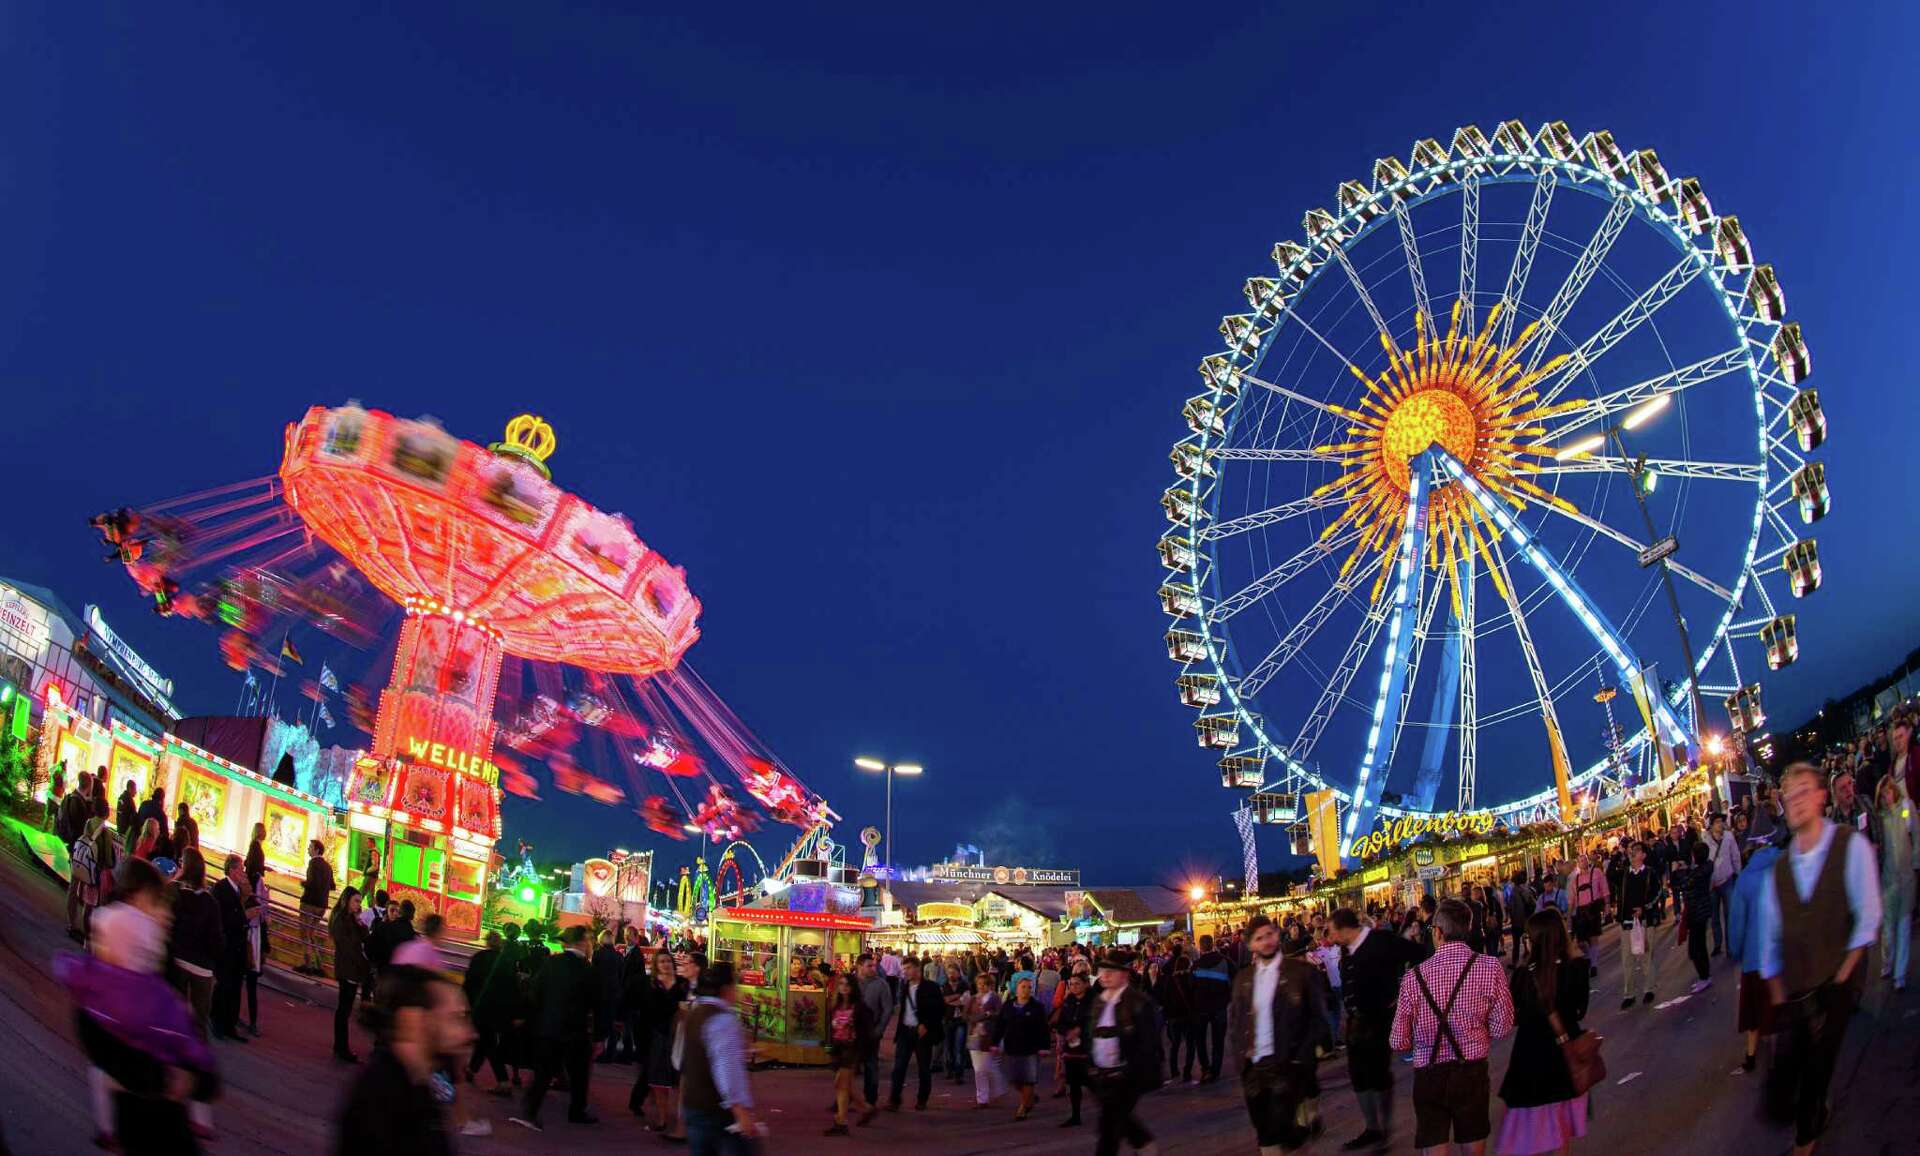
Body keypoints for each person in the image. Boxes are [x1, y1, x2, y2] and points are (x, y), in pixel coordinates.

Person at [1756, 762, 1882, 1156]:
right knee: (1780, 1096)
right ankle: (1810, 1118)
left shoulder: (1849, 846)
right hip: (1795, 991)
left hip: (1835, 982)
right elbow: (1768, 937)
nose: (1795, 802)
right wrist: (1776, 990)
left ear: (1820, 796)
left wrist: (1844, 973)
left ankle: (1806, 1138)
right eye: (1788, 796)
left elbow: (1868, 913)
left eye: (1803, 792)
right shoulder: (1779, 870)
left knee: (1813, 1077)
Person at [62, 855, 220, 1155]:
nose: (165, 915)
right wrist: (175, 1077)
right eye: (157, 904)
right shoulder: (121, 991)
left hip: (161, 1118)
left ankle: (108, 1130)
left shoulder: (149, 970)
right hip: (150, 1121)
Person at [1389, 898, 1515, 1156]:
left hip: (1429, 1074)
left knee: (1434, 1146)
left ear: (1437, 932)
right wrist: (1477, 1031)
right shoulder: (1490, 968)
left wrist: (1419, 1039)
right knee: (1473, 1144)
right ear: (1467, 929)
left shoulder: (1413, 978)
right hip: (1471, 1070)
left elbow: (1398, 1041)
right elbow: (1503, 1026)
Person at [333, 964, 477, 1156]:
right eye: (455, 1018)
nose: (470, 1033)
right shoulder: (382, 1096)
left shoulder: (422, 1078)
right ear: (414, 1020)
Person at [1227, 914, 1325, 1156]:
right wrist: (1241, 1057)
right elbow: (1236, 1020)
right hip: (1254, 1067)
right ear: (1251, 944)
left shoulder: (1300, 972)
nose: (1266, 941)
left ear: (1277, 934)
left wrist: (1304, 1057)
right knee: (1264, 1131)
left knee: (1279, 1128)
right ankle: (1300, 1135)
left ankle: (1301, 1133)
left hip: (1287, 1062)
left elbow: (1317, 1018)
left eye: (1269, 934)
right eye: (1259, 938)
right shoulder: (1243, 978)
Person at [1495, 910, 1590, 1156]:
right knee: (1561, 1126)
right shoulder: (1576, 966)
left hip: (1530, 1056)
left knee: (1532, 1129)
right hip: (1564, 1050)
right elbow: (1580, 1010)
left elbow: (1513, 1016)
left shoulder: (1524, 975)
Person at [1331, 905, 1420, 1151]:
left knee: (1379, 1075)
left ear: (1345, 929)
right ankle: (1372, 1128)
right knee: (1358, 1076)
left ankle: (1385, 1132)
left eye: (1332, 931)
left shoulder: (1381, 941)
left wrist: (1407, 993)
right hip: (1356, 1024)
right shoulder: (1347, 949)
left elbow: (1417, 953)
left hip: (1379, 1021)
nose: (1330, 937)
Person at [510, 923, 598, 1131]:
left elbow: (534, 992)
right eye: (587, 940)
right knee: (579, 1073)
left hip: (548, 1027)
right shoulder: (588, 969)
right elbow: (597, 1002)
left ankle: (530, 1111)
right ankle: (577, 1111)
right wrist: (600, 1032)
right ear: (581, 942)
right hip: (575, 1030)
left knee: (543, 1073)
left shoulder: (551, 963)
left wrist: (527, 1016)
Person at [1083, 949, 1161, 1156]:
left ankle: (1143, 1145)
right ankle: (1144, 1145)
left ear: (1124, 974)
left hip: (1125, 1076)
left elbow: (1147, 1043)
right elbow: (1092, 1035)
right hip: (1102, 1074)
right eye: (1103, 970)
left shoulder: (1138, 1002)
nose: (1105, 975)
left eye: (1112, 971)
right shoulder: (1099, 1000)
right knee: (1117, 1119)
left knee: (1109, 1127)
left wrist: (1128, 1070)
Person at [679, 960, 762, 1155]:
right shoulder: (723, 1020)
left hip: (694, 1106)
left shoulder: (694, 1012)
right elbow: (727, 1070)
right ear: (726, 989)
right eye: (735, 986)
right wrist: (741, 1112)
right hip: (718, 1113)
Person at [1728, 832, 1783, 1072]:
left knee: (1755, 1011)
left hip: (1755, 956)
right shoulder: (1786, 865)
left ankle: (1752, 1055)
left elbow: (1737, 924)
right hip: (1784, 952)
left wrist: (1736, 950)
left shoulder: (1746, 879)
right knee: (1783, 1006)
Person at [168, 848, 222, 1041]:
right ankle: (196, 1058)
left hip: (180, 959)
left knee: (175, 1012)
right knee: (199, 1020)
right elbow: (216, 938)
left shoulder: (176, 894)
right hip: (203, 967)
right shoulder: (210, 902)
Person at [1874, 773, 1917, 989]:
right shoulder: (1879, 817)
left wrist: (1916, 865)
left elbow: (1916, 835)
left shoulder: (1906, 808)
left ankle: (1899, 974)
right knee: (1888, 928)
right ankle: (1887, 963)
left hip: (1906, 877)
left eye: (1888, 792)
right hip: (1888, 879)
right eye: (1882, 795)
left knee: (1903, 925)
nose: (1886, 798)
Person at [639, 949, 688, 1135]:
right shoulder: (653, 985)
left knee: (680, 1079)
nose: (666, 964)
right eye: (662, 962)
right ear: (656, 965)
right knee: (660, 1080)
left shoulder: (682, 984)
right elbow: (650, 1011)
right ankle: (662, 1118)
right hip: (660, 1035)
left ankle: (681, 1118)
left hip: (680, 1035)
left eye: (668, 960)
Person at [887, 958, 946, 1110]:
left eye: (908, 968)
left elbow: (939, 1009)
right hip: (905, 1031)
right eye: (904, 968)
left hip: (922, 1033)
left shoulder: (931, 987)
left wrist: (926, 1025)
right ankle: (894, 1099)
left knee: (924, 1068)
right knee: (899, 1067)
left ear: (917, 969)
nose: (905, 971)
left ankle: (922, 1099)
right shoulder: (905, 986)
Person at [994, 975, 1051, 1120]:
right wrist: (994, 1043)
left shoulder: (1037, 1007)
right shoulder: (1008, 1006)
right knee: (1014, 1079)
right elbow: (1000, 1026)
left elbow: (1044, 1028)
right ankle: (1029, 1096)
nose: (1026, 990)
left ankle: (1023, 1108)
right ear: (1016, 989)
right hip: (1012, 1047)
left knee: (1028, 1079)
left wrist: (1045, 1046)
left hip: (1030, 1049)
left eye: (1029, 987)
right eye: (1023, 987)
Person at [1613, 841, 1658, 1008]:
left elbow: (1657, 892)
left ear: (1643, 855)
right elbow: (1610, 874)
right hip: (1627, 921)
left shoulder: (1649, 873)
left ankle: (1649, 989)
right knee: (1627, 958)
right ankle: (1629, 993)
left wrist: (1644, 908)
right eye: (1632, 850)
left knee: (1646, 955)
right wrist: (1618, 854)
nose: (1633, 853)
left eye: (1637, 851)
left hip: (1645, 920)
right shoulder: (1625, 874)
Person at [328, 886, 371, 1062]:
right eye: (356, 901)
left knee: (344, 1009)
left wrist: (359, 922)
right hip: (348, 969)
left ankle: (340, 1046)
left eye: (360, 902)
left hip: (350, 968)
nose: (358, 905)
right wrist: (363, 966)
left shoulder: (350, 919)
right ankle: (342, 1047)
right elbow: (349, 947)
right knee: (344, 1010)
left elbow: (364, 937)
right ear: (347, 900)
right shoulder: (340, 920)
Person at [1190, 932, 1234, 1084]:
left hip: (1200, 1009)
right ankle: (1215, 1070)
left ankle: (1205, 1068)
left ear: (1200, 947)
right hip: (1219, 1007)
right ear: (1213, 945)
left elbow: (1191, 987)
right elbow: (1235, 979)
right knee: (1218, 1040)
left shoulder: (1195, 966)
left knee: (1200, 1040)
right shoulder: (1225, 962)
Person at [1052, 971, 1093, 1127]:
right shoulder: (1068, 1001)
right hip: (1071, 1049)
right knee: (1074, 1084)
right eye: (1072, 984)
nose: (1074, 987)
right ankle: (1075, 1115)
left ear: (1086, 984)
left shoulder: (1092, 1001)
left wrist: (1080, 1030)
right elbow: (1060, 1021)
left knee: (1092, 1082)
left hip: (1087, 1048)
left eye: (1078, 984)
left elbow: (1094, 1021)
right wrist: (1066, 1031)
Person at [853, 953, 893, 1111]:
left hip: (870, 1032)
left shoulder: (881, 984)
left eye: (873, 965)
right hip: (851, 1031)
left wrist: (880, 1029)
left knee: (871, 1066)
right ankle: (845, 1099)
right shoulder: (851, 983)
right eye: (869, 966)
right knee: (847, 1068)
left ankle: (870, 1099)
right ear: (859, 966)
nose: (873, 968)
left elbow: (887, 1009)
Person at [1706, 813, 1742, 957]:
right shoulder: (1705, 839)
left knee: (1729, 915)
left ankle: (1730, 946)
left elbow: (1735, 855)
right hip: (1712, 884)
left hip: (1727, 880)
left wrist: (1738, 873)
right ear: (1711, 825)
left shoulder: (1728, 837)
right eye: (1717, 822)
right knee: (1714, 916)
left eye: (1721, 821)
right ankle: (1717, 944)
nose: (1720, 824)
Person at [1566, 853, 1608, 972]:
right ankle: (1590, 958)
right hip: (1581, 910)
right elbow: (1571, 900)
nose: (1583, 862)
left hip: (1593, 908)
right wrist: (1569, 916)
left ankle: (1593, 964)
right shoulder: (1576, 880)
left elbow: (1604, 889)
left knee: (1594, 937)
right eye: (1580, 861)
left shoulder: (1597, 873)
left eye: (1584, 860)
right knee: (1582, 940)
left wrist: (1607, 905)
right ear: (1578, 864)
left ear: (1587, 861)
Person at [299, 840, 335, 976]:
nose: (308, 849)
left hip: (309, 903)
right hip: (321, 905)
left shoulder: (313, 863)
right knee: (311, 933)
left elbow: (313, 882)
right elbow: (332, 885)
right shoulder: (327, 866)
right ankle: (319, 963)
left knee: (304, 933)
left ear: (317, 850)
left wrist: (304, 883)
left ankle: (308, 964)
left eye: (310, 847)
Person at [1505, 872, 1537, 968]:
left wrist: (1511, 917)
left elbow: (1512, 907)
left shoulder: (1514, 891)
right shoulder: (1528, 889)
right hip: (1527, 919)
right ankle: (1534, 959)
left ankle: (1515, 962)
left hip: (1518, 921)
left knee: (1516, 943)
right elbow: (1534, 903)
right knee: (1531, 940)